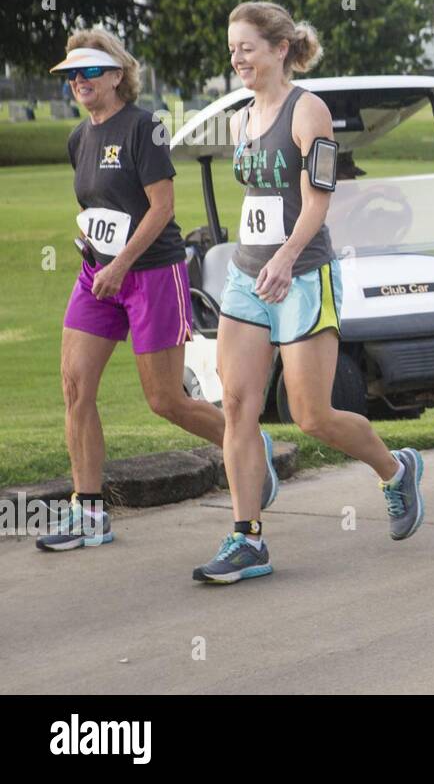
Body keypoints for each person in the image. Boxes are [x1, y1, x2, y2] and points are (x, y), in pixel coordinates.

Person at [195, 1, 424, 584]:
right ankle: (247, 538)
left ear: (279, 49)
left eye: (246, 47)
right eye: (231, 49)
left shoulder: (308, 110)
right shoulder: (245, 116)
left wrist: (287, 256)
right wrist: (254, 263)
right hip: (248, 277)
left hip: (301, 275)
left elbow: (319, 200)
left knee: (311, 414)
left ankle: (395, 470)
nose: (237, 58)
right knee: (239, 407)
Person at [37, 31, 276, 552]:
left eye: (90, 71)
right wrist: (94, 247)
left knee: (165, 400)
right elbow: (100, 206)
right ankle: (89, 511)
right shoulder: (79, 138)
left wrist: (122, 264)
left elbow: (161, 207)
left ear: (117, 75)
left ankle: (251, 450)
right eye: (71, 75)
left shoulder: (146, 126)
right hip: (97, 275)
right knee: (76, 388)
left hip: (150, 275)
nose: (79, 81)